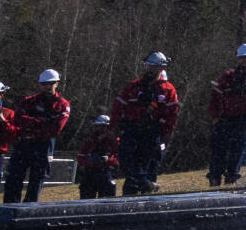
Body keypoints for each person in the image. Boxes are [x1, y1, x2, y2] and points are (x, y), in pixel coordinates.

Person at [114, 53, 181, 196]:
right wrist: (113, 126)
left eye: (155, 67)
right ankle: (142, 184)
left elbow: (172, 114)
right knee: (126, 159)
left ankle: (144, 188)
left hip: (152, 131)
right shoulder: (133, 86)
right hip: (132, 129)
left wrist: (167, 132)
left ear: (161, 68)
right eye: (149, 66)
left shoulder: (168, 89)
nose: (151, 69)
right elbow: (118, 106)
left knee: (147, 162)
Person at [206, 44, 246, 186]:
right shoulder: (227, 77)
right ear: (237, 59)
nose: (245, 61)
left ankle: (231, 179)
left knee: (238, 152)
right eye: (242, 58)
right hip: (225, 120)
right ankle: (214, 179)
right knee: (219, 151)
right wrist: (215, 117)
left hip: (245, 121)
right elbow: (214, 99)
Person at [4, 69, 71, 203]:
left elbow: (55, 128)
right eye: (44, 84)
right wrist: (42, 121)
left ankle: (28, 209)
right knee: (13, 178)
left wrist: (31, 123)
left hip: (43, 146)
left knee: (36, 180)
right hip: (23, 144)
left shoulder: (62, 104)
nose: (46, 87)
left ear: (56, 84)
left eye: (50, 84)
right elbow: (17, 120)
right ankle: (9, 207)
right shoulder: (28, 101)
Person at [73, 113, 120, 199]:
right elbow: (80, 158)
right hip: (89, 174)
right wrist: (88, 161)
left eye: (103, 127)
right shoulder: (88, 142)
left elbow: (119, 159)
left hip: (106, 173)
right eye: (98, 126)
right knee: (86, 198)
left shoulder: (114, 142)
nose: (100, 129)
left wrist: (108, 160)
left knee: (107, 198)